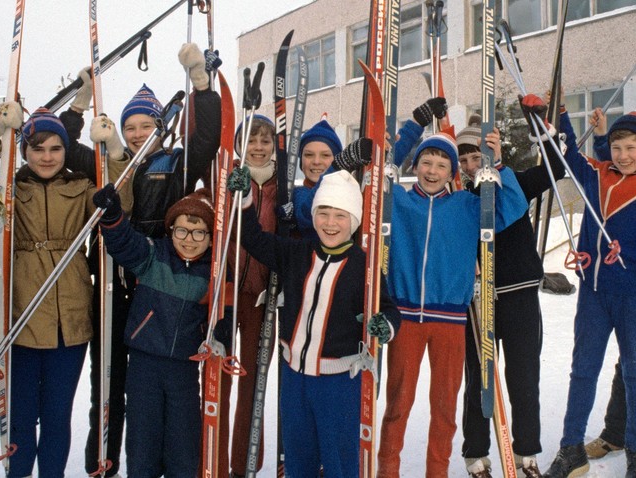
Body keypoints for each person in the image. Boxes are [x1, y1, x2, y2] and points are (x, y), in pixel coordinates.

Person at [68, 42, 221, 478]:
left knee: (155, 392)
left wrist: (200, 84)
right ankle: (103, 461)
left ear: (160, 127)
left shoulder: (172, 163)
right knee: (110, 382)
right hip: (113, 285)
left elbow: (208, 138)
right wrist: (80, 101)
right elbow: (58, 140)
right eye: (129, 126)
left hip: (158, 280)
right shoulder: (106, 161)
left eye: (145, 125)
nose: (137, 134)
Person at [228, 166, 402, 478]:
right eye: (323, 213)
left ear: (354, 220)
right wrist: (243, 199)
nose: (330, 223)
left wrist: (383, 325)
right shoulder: (296, 253)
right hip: (295, 378)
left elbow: (389, 310)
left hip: (338, 382)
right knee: (298, 458)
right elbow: (253, 239)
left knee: (339, 460)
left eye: (340, 215)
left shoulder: (364, 266)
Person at [375, 127, 528, 478]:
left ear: (452, 173)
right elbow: (367, 192)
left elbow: (513, 207)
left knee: (444, 406)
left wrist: (500, 165)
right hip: (405, 317)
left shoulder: (468, 206)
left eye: (441, 165)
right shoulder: (396, 201)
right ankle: (387, 470)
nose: (432, 171)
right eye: (426, 162)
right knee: (398, 403)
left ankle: (437, 471)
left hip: (450, 320)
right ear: (417, 165)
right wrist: (389, 158)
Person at [541, 102, 636, 478]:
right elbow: (565, 150)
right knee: (582, 370)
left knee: (635, 372)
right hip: (594, 292)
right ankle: (571, 448)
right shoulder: (598, 173)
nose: (623, 155)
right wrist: (555, 111)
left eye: (631, 147)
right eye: (617, 148)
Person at [0, 107, 99, 477]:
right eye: (37, 148)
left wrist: (114, 150)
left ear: (66, 152)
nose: (46, 157)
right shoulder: (9, 191)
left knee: (57, 415)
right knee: (21, 415)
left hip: (69, 317)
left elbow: (121, 202)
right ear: (25, 151)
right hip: (20, 316)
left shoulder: (82, 188)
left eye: (55, 149)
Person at [456, 109, 566, 478]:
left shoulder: (515, 181)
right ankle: (476, 455)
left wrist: (544, 125)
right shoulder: (459, 199)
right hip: (477, 298)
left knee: (523, 376)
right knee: (479, 379)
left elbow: (556, 168)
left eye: (477, 157)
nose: (472, 165)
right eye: (466, 159)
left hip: (518, 295)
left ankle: (527, 453)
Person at [93, 184, 216, 478]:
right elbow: (124, 243)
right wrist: (112, 215)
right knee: (143, 439)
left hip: (185, 368)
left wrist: (219, 337)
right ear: (171, 229)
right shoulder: (154, 256)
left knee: (182, 444)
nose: (189, 240)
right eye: (182, 230)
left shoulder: (213, 270)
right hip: (145, 363)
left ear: (211, 238)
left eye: (199, 232)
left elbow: (223, 313)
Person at [288, 98, 447, 240]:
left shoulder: (351, 188)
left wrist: (417, 122)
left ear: (335, 155)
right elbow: (306, 214)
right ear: (301, 161)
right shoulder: (300, 193)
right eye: (309, 155)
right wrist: (338, 165)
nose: (316, 161)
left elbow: (385, 166)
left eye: (325, 155)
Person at [214, 114, 276, 478]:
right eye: (251, 140)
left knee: (253, 382)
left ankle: (244, 464)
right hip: (226, 292)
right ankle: (215, 462)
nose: (258, 147)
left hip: (260, 297)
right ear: (240, 145)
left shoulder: (281, 188)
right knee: (218, 377)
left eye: (265, 141)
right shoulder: (227, 179)